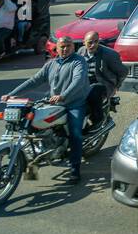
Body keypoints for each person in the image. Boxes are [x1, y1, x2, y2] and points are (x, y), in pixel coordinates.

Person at [8, 36, 90, 184]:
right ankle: (34, 168)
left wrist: (63, 96)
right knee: (33, 128)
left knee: (75, 134)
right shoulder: (51, 64)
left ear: (73, 47)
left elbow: (78, 81)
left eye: (68, 46)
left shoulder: (79, 61)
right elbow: (34, 80)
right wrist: (12, 94)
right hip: (54, 102)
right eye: (62, 46)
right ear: (56, 48)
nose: (65, 49)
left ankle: (75, 171)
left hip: (73, 103)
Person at [79, 30, 127, 127]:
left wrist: (116, 86)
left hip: (103, 83)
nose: (93, 45)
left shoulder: (109, 54)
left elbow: (123, 72)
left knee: (93, 91)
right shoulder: (81, 51)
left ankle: (98, 120)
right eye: (90, 42)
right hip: (85, 83)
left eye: (96, 41)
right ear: (84, 42)